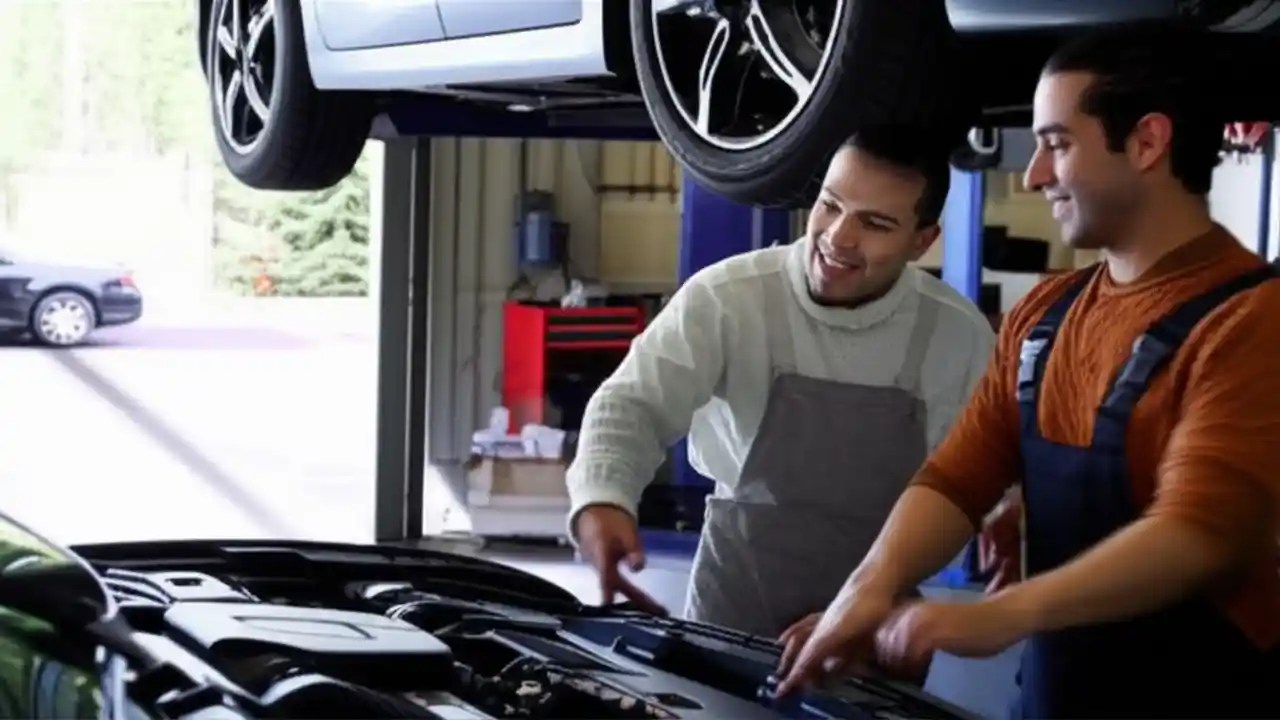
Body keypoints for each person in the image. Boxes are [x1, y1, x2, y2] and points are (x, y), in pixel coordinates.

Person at [776, 26, 1280, 719]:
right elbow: (958, 479)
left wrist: (998, 615)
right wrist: (868, 591)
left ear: (1148, 142)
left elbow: (1201, 534)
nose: (1035, 175)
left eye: (1057, 144)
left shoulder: (1251, 321)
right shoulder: (1046, 315)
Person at [563, 127, 997, 642]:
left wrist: (879, 603)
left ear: (922, 241)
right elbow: (632, 404)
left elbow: (975, 478)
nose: (838, 236)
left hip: (878, 619)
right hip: (734, 597)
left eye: (875, 223)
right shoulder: (729, 297)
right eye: (830, 205)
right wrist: (603, 497)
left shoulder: (956, 334)